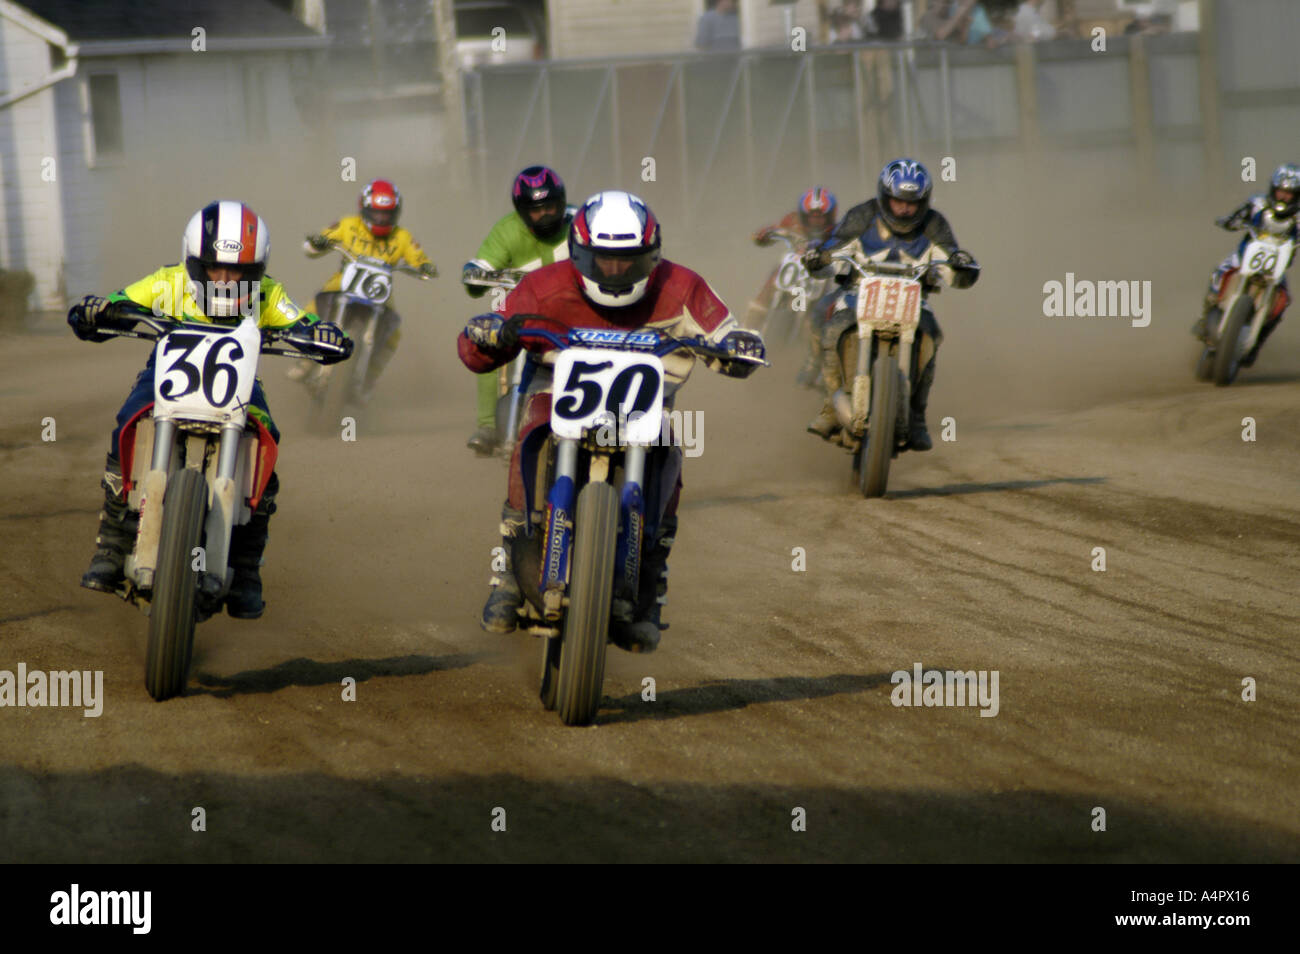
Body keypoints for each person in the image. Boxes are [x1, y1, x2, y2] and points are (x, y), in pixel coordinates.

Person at [458, 190, 765, 652]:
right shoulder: (542, 285)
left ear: (653, 254)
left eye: (629, 260)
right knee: (530, 432)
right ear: (579, 250)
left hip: (646, 404)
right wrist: (490, 332)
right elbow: (478, 343)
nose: (616, 270)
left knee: (670, 453)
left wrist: (738, 346)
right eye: (603, 259)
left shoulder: (682, 285)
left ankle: (650, 583)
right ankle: (506, 569)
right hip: (556, 391)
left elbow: (723, 330)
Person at [69, 200, 348, 617]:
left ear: (257, 272)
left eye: (238, 272)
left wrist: (322, 332)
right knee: (127, 420)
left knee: (267, 441)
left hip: (239, 387)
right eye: (215, 268)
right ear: (194, 262)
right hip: (163, 379)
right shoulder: (168, 282)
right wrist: (96, 311)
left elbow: (298, 323)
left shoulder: (270, 294)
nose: (224, 279)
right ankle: (112, 542)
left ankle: (247, 567)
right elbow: (118, 303)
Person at [802, 159, 980, 450]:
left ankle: (918, 415)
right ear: (885, 197)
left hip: (915, 301)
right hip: (857, 295)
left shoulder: (934, 224)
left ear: (923, 201)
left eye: (912, 203)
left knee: (932, 336)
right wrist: (818, 258)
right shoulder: (862, 216)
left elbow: (953, 264)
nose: (905, 209)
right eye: (898, 201)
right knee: (833, 329)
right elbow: (833, 250)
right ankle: (830, 405)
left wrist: (962, 266)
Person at [461, 165, 574, 456]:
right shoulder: (507, 231)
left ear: (561, 202)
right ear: (522, 212)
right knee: (487, 336)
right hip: (523, 307)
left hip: (576, 308)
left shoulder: (579, 221)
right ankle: (487, 425)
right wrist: (476, 274)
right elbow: (483, 266)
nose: (546, 215)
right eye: (537, 210)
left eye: (551, 207)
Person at [297, 179, 437, 402]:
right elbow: (316, 244)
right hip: (340, 286)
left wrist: (425, 266)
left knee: (394, 333)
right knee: (314, 305)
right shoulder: (347, 224)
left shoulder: (402, 236)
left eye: (387, 214)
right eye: (377, 212)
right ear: (364, 208)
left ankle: (368, 380)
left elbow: (418, 257)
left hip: (379, 296)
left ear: (396, 213)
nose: (381, 218)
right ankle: (304, 360)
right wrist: (317, 243)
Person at [1192, 162, 1300, 366]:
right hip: (1243, 259)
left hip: (1275, 270)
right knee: (1219, 272)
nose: (1283, 197)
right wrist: (1228, 221)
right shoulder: (1257, 204)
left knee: (1283, 302)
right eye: (1280, 191)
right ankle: (1205, 317)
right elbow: (1236, 217)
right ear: (1273, 189)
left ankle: (1256, 343)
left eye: (1290, 193)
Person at [747, 187, 839, 386]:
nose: (816, 221)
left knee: (836, 302)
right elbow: (772, 231)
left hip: (821, 275)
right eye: (811, 217)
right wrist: (763, 235)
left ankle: (826, 353)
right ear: (803, 215)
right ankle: (747, 331)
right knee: (772, 279)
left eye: (821, 217)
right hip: (794, 271)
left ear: (830, 216)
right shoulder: (792, 221)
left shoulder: (839, 230)